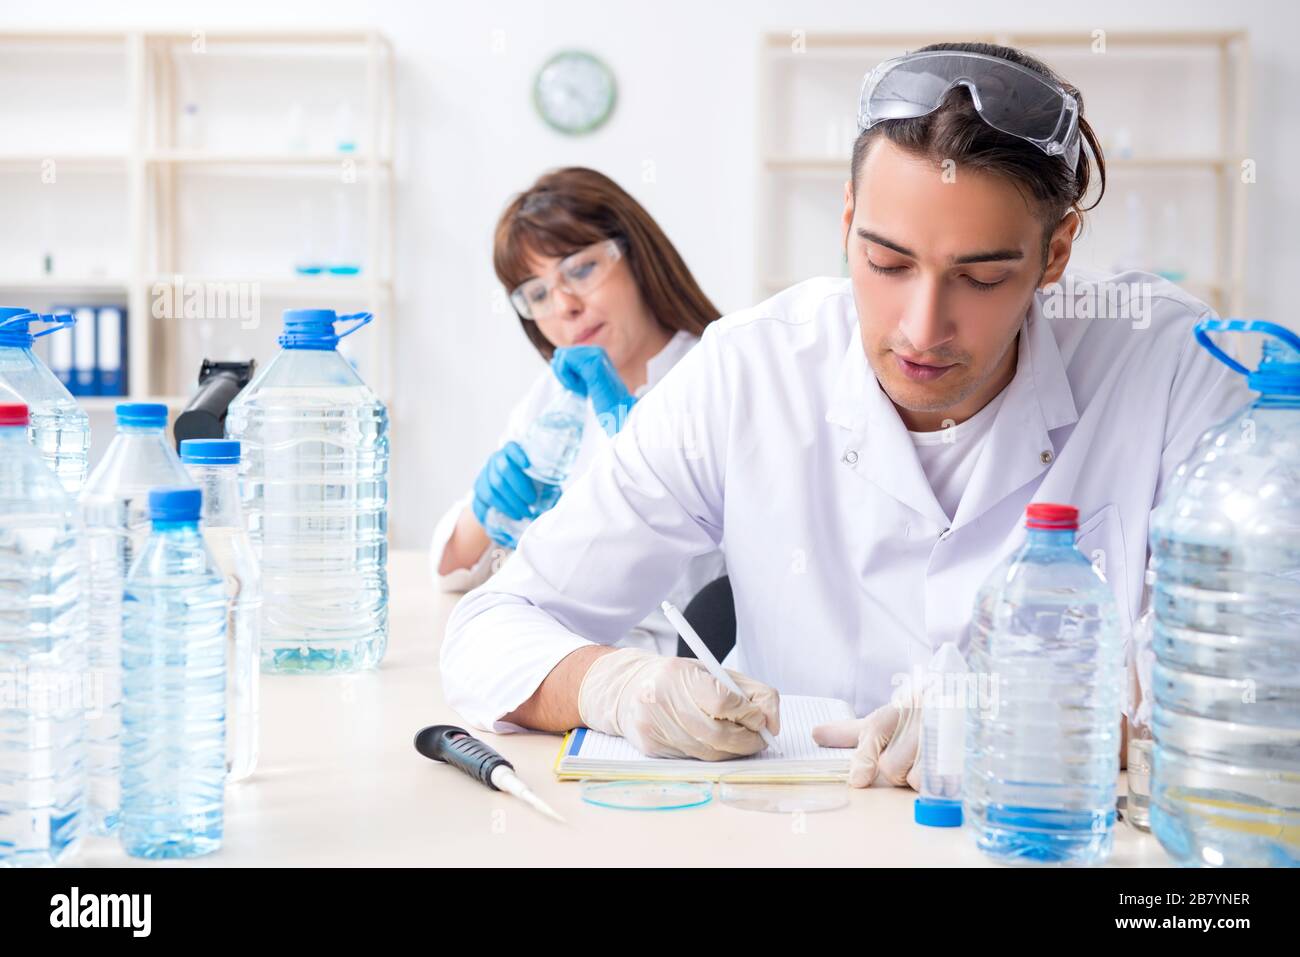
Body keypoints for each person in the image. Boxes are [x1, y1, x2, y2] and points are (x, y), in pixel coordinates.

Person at [441, 43, 1252, 787]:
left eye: (981, 277)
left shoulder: (1171, 366)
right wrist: (610, 685)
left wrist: (1041, 720)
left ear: (1057, 252)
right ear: (846, 220)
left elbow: (1256, 686)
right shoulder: (748, 372)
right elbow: (490, 628)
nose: (922, 328)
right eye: (887, 262)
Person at [430, 166, 726, 657]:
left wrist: (632, 440)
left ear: (637, 256)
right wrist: (483, 511)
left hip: (671, 674)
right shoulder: (555, 394)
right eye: (538, 293)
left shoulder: (718, 373)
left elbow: (713, 587)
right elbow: (453, 571)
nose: (564, 304)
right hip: (553, 662)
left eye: (581, 269)